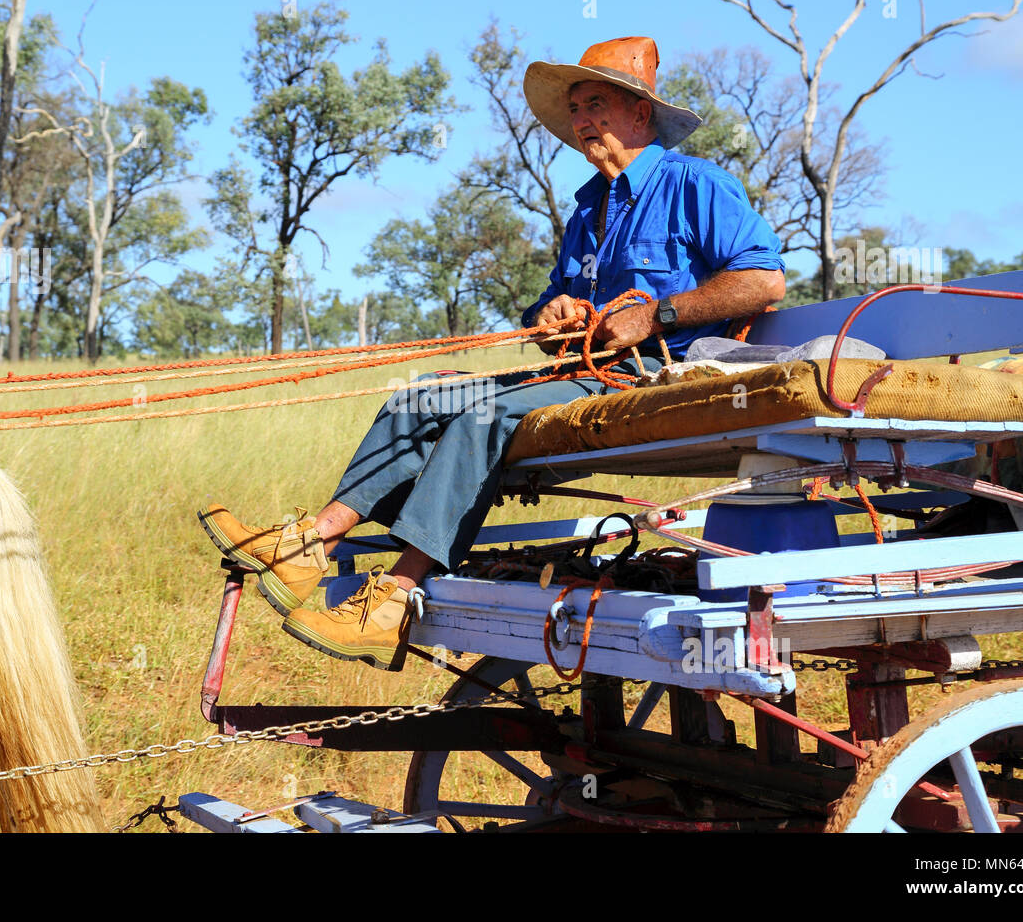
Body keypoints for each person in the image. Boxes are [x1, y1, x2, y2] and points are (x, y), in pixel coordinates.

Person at [199, 36, 786, 671]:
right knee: (422, 397)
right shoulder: (589, 205)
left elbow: (764, 281)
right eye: (576, 110)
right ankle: (310, 543)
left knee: (483, 415)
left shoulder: (695, 184)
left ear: (639, 114)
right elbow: (555, 302)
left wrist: (656, 315)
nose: (583, 121)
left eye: (596, 104)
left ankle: (394, 596)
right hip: (582, 371)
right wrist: (548, 316)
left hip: (653, 378)